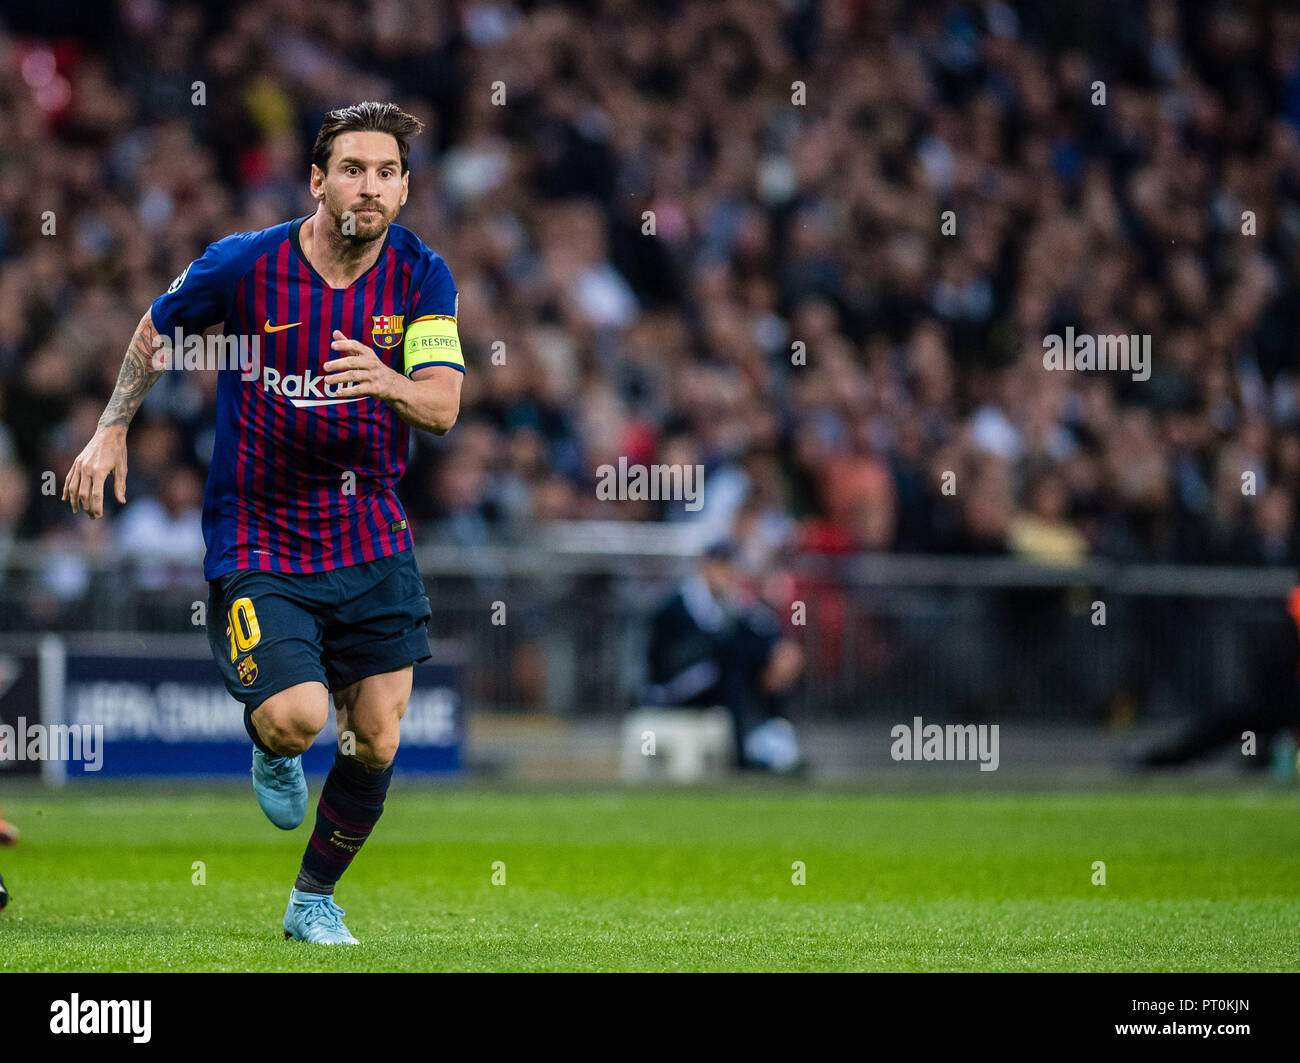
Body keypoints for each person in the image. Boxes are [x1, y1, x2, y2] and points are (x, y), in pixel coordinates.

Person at [61, 102, 464, 945]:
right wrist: (111, 425)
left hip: (370, 532)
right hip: (261, 531)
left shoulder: (424, 278)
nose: (371, 187)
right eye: (353, 169)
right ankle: (271, 745)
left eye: (387, 172)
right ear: (316, 180)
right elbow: (155, 327)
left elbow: (443, 405)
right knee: (299, 715)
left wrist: (389, 381)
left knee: (381, 736)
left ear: (404, 188)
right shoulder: (246, 265)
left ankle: (313, 898)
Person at [642, 543, 804, 772]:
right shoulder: (677, 606)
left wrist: (777, 651)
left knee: (762, 663)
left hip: (710, 679)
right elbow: (674, 658)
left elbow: (758, 626)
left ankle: (776, 739)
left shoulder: (729, 603)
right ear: (706, 566)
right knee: (732, 670)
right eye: (723, 567)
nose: (729, 574)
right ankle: (742, 755)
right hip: (673, 687)